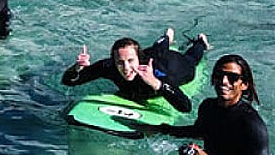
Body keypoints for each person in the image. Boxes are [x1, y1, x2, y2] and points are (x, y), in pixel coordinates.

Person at [145, 54, 271, 155]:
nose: (224, 81)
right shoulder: (208, 107)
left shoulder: (252, 124)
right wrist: (161, 130)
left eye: (232, 77)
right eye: (219, 75)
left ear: (244, 84)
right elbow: (199, 131)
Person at [62, 29, 209, 112]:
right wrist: (77, 68)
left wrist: (156, 84)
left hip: (173, 65)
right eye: (120, 62)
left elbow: (185, 107)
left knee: (191, 61)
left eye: (130, 61)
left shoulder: (156, 73)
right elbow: (68, 82)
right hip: (150, 54)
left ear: (139, 59)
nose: (126, 68)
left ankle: (201, 42)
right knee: (156, 49)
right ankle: (166, 38)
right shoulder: (109, 67)